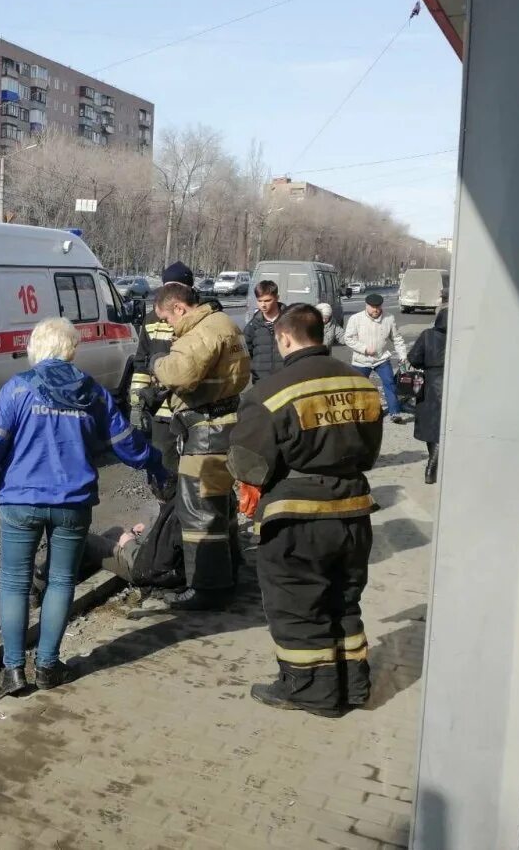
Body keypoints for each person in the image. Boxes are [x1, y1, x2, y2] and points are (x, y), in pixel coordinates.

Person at [0, 317, 167, 696]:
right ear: (71, 349)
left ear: (37, 347)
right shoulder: (93, 392)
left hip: (21, 502)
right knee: (60, 582)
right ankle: (48, 666)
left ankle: (13, 672)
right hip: (72, 503)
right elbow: (127, 443)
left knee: (15, 583)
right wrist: (155, 462)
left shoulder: (18, 389)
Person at [228, 304, 384, 717]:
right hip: (354, 511)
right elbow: (370, 452)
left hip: (297, 518)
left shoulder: (272, 393)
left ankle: (311, 693)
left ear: (284, 337)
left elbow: (248, 465)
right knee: (343, 601)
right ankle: (352, 686)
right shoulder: (362, 385)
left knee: (298, 606)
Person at [150, 282, 251, 610]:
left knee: (196, 511)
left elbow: (181, 371)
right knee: (220, 505)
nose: (167, 326)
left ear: (179, 307)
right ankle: (230, 568)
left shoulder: (201, 333)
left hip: (206, 434)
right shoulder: (225, 323)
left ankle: (206, 588)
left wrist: (157, 364)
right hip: (225, 427)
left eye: (167, 318)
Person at [129, 261, 195, 475]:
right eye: (167, 287)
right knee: (162, 468)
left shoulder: (201, 318)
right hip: (160, 411)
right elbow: (141, 362)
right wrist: (137, 403)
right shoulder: (151, 319)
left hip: (192, 411)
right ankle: (165, 504)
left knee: (192, 472)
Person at [344, 293, 411, 423]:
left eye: (378, 307)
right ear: (366, 306)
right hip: (361, 360)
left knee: (390, 384)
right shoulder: (355, 319)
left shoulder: (389, 318)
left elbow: (397, 338)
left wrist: (403, 355)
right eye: (372, 307)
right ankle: (356, 413)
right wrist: (364, 349)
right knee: (358, 387)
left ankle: (394, 413)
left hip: (381, 359)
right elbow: (348, 338)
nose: (376, 310)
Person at [408, 305, 448, 483]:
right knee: (443, 427)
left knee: (433, 426)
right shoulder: (460, 336)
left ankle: (431, 467)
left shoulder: (428, 335)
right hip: (453, 382)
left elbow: (414, 358)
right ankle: (434, 466)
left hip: (431, 383)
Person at [243, 281, 287, 382]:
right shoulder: (252, 326)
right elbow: (246, 353)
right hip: (261, 382)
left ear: (277, 298)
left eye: (267, 301)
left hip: (286, 381)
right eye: (259, 301)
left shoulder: (290, 322)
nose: (263, 305)